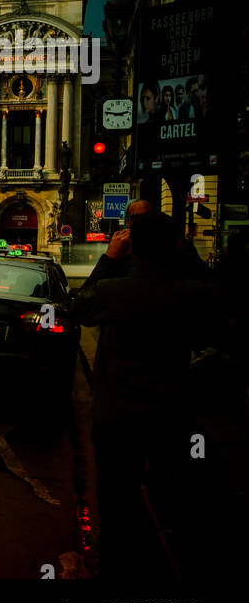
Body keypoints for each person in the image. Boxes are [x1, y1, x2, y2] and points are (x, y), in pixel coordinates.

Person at [71, 211, 217, 579]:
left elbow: (80, 307)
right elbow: (212, 322)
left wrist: (107, 259)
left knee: (116, 496)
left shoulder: (112, 292)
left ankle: (116, 562)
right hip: (169, 416)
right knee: (171, 494)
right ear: (176, 248)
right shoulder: (192, 294)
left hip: (115, 416)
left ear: (131, 247)